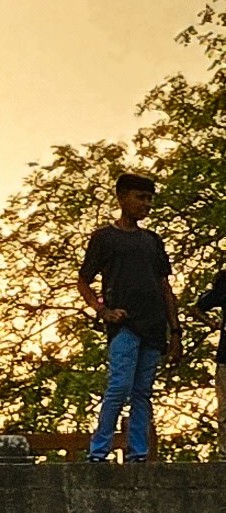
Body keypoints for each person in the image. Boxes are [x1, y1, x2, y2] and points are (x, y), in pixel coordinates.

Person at [81, 169, 174, 465]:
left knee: (143, 392)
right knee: (119, 387)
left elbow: (164, 286)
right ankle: (99, 451)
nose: (145, 204)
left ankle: (138, 453)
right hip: (125, 324)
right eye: (140, 197)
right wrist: (102, 310)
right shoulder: (105, 238)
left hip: (154, 325)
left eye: (149, 199)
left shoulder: (152, 241)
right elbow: (84, 281)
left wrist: (176, 331)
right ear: (122, 198)